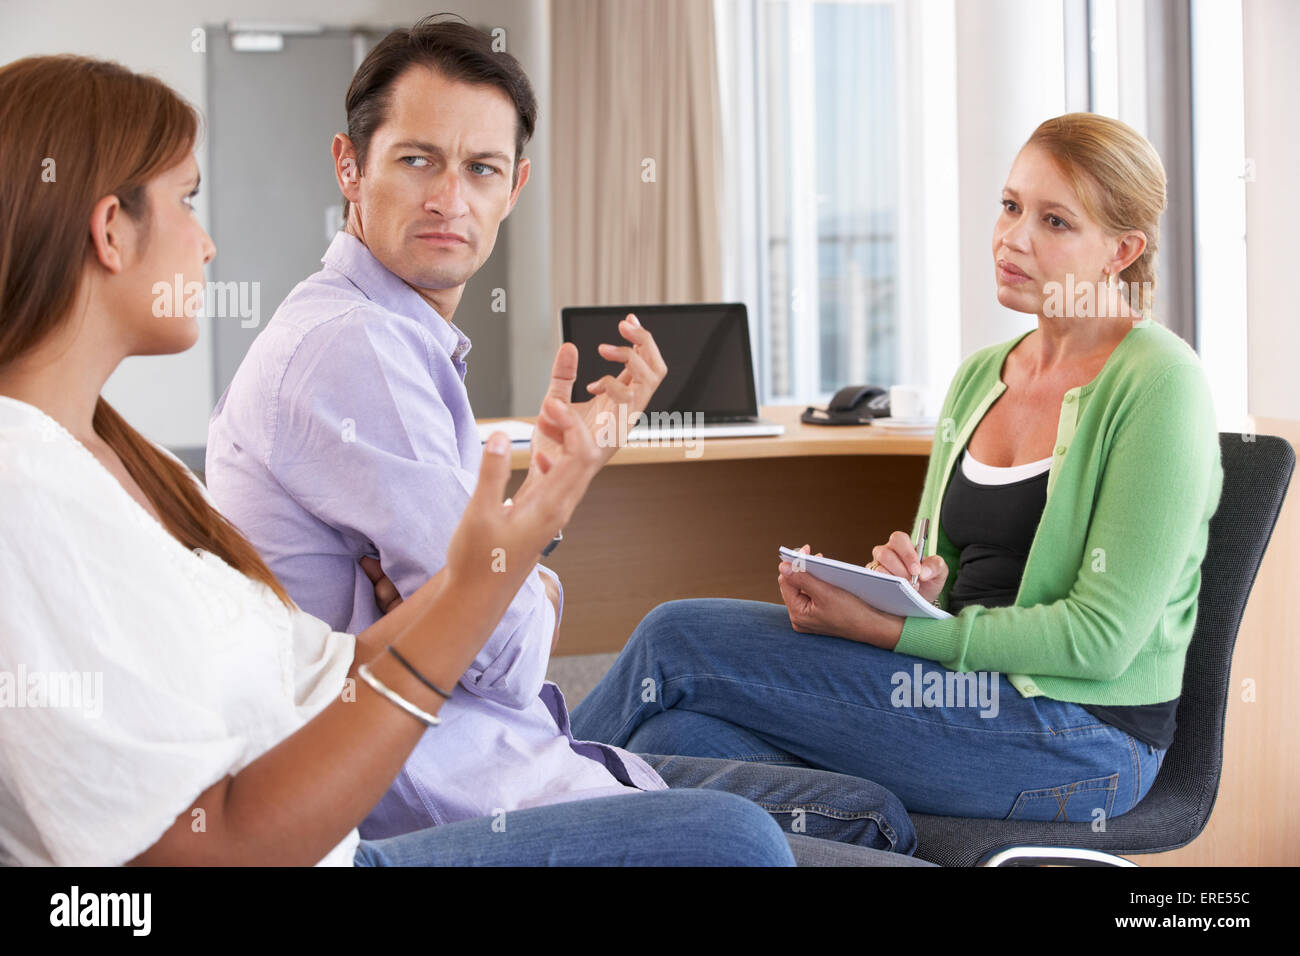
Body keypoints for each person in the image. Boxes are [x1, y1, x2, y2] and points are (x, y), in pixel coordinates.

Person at [0, 52, 907, 868]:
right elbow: (498, 658)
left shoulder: (123, 455)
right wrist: (495, 584)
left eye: (479, 170)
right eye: (417, 161)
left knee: (715, 689)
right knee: (780, 831)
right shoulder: (348, 348)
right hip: (424, 797)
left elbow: (335, 661)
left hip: (463, 758)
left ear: (513, 187)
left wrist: (533, 521)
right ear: (350, 169)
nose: (449, 199)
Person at [571, 112, 1225, 824]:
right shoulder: (982, 376)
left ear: (1122, 250)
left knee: (675, 641)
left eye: (1056, 222)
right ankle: (871, 818)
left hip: (1082, 738)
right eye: (1010, 206)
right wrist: (907, 588)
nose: (1013, 238)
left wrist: (889, 631)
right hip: (954, 688)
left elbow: (1100, 641)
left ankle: (498, 804)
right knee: (676, 740)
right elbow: (943, 580)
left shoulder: (1160, 381)